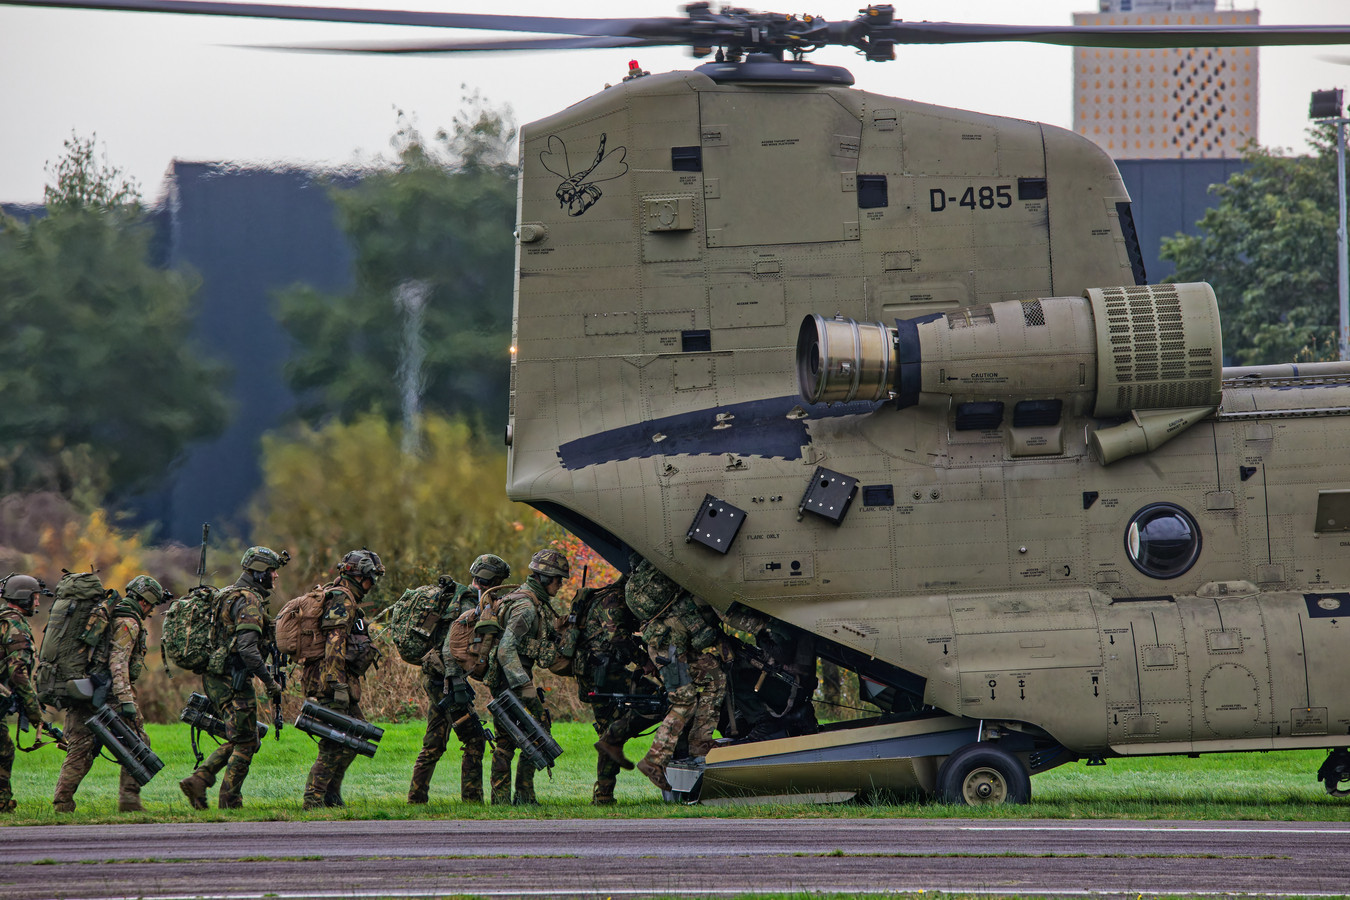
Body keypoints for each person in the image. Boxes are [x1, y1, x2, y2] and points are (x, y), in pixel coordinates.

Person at [179, 547, 286, 810]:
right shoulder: (248, 601)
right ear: (259, 572)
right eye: (272, 571)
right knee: (247, 741)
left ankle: (200, 779)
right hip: (232, 679)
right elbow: (247, 649)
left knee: (243, 737)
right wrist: (270, 682)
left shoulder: (229, 594)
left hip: (217, 677)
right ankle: (229, 800)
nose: (275, 576)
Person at [52, 575, 169, 813]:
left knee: (80, 747)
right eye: (152, 605)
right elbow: (119, 663)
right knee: (138, 743)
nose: (150, 611)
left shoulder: (108, 612)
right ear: (146, 602)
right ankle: (129, 800)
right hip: (108, 692)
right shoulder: (128, 622)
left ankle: (62, 804)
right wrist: (126, 700)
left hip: (83, 687)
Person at [407, 553, 511, 805]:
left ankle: (416, 799)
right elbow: (449, 647)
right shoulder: (468, 603)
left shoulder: (460, 597)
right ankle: (472, 801)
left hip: (435, 678)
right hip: (446, 682)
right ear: (493, 579)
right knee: (474, 739)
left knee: (434, 742)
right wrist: (455, 683)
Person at [558, 573, 664, 806]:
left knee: (605, 729)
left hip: (594, 671)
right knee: (659, 700)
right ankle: (615, 737)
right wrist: (644, 661)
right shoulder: (614, 600)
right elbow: (617, 637)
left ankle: (604, 795)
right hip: (604, 672)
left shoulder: (603, 596)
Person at [625, 553, 727, 793]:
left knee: (714, 675)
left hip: (675, 647)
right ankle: (654, 761)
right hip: (666, 650)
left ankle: (701, 743)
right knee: (685, 700)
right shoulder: (690, 596)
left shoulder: (679, 586)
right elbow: (703, 636)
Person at [485, 547, 569, 806]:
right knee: (525, 734)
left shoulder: (531, 601)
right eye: (558, 579)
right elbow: (505, 650)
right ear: (545, 578)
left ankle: (518, 796)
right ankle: (511, 798)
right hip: (511, 680)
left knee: (517, 736)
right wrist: (525, 689)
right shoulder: (526, 607)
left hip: (512, 678)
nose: (560, 585)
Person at [302, 548, 384, 810]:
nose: (373, 585)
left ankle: (331, 795)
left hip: (339, 682)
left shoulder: (346, 597)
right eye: (372, 578)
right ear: (361, 576)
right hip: (332, 682)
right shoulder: (342, 599)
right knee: (333, 743)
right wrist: (336, 685)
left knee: (355, 737)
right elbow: (334, 643)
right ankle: (313, 800)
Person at [0, 574, 62, 813]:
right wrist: (34, 711)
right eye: (35, 598)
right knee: (4, 751)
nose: (37, 604)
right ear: (24, 597)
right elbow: (18, 673)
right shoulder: (15, 626)